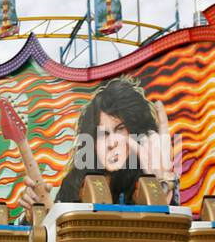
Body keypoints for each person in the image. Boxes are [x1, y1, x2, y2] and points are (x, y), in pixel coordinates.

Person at [17, 77, 176, 211]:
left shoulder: (153, 176)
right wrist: (34, 214)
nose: (112, 143)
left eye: (120, 129)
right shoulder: (75, 181)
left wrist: (162, 186)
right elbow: (54, 235)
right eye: (103, 134)